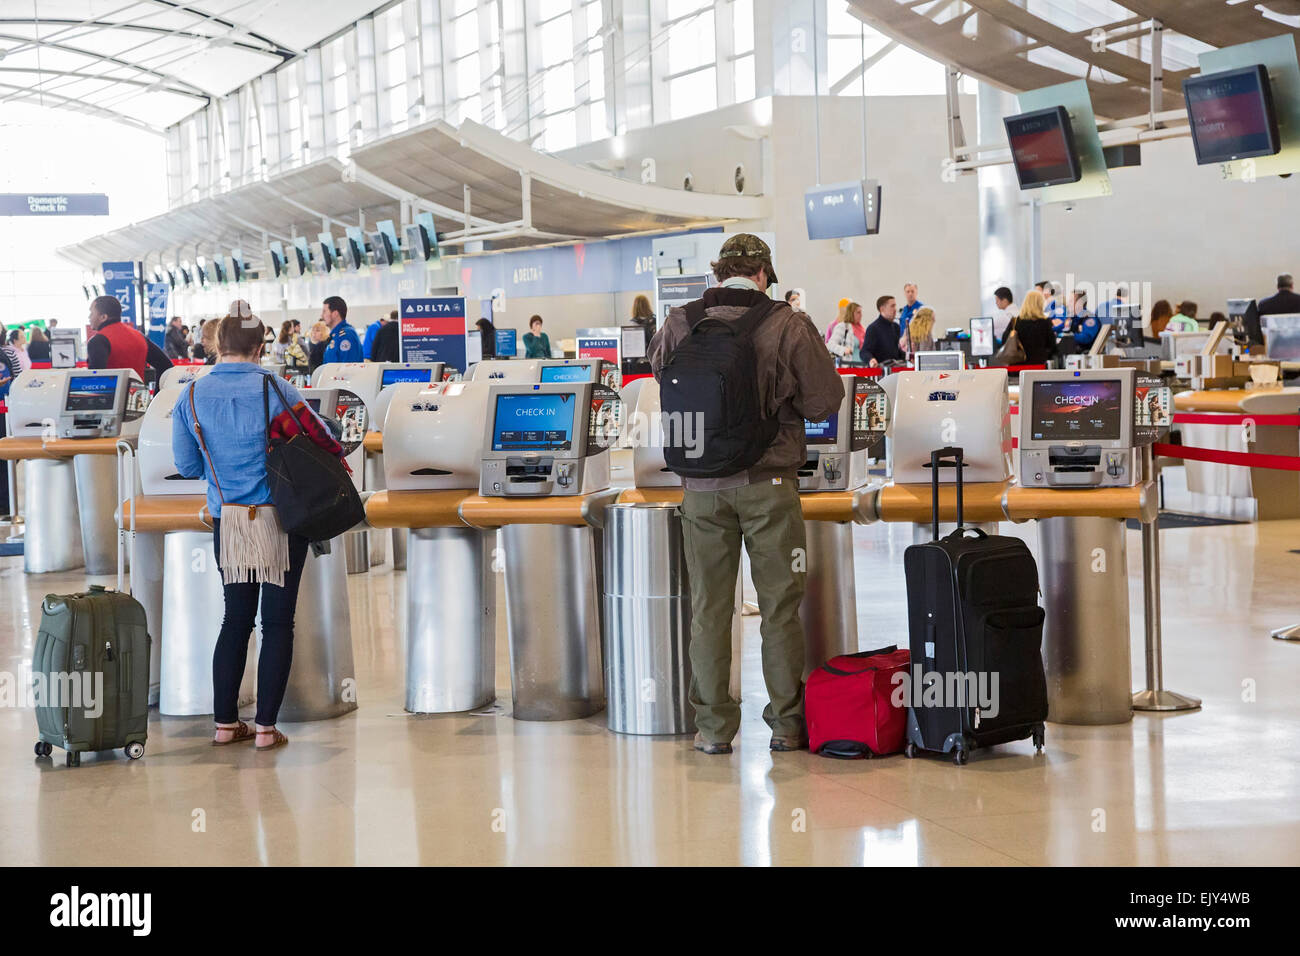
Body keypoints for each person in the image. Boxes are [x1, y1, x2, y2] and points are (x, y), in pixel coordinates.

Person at [647, 234, 842, 755]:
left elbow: (663, 377)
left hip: (700, 489)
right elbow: (824, 401)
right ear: (763, 275)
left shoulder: (679, 322)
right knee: (779, 608)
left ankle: (712, 730)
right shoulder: (788, 323)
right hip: (768, 487)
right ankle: (785, 726)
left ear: (719, 273)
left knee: (710, 609)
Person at [171, 306, 350, 752]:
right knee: (277, 623)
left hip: (228, 519)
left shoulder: (189, 396)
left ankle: (225, 724)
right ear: (259, 346)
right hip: (281, 520)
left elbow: (187, 464)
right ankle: (266, 728)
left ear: (216, 343)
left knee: (235, 620)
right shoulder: (278, 387)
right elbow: (325, 440)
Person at [86, 295, 173, 378]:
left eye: (91, 313)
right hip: (138, 393)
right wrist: (157, 393)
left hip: (112, 393)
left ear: (103, 317)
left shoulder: (98, 340)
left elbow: (95, 380)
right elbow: (166, 366)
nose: (89, 317)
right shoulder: (139, 336)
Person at [1005, 290, 1058, 365]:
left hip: (1017, 365)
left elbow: (1005, 340)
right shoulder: (1045, 322)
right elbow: (1052, 345)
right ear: (1040, 304)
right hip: (1038, 365)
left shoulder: (1015, 321)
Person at [859, 295, 905, 367]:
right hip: (880, 372)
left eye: (895, 306)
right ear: (882, 309)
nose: (895, 309)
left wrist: (910, 356)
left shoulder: (896, 327)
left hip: (895, 368)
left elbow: (895, 352)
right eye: (892, 306)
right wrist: (871, 359)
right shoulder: (873, 328)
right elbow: (864, 351)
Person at [320, 296, 362, 364]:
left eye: (324, 311)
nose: (321, 315)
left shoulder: (346, 335)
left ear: (335, 314)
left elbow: (348, 369)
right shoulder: (335, 336)